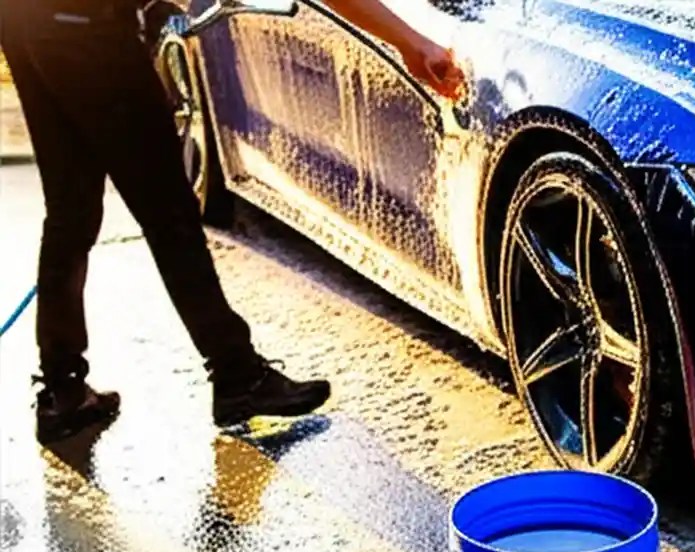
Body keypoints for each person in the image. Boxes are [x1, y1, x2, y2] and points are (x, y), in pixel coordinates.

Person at [0, 0, 464, 443]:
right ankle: (237, 376)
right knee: (169, 213)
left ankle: (62, 391)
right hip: (85, 30)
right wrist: (411, 43)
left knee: (71, 210)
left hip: (26, 24)